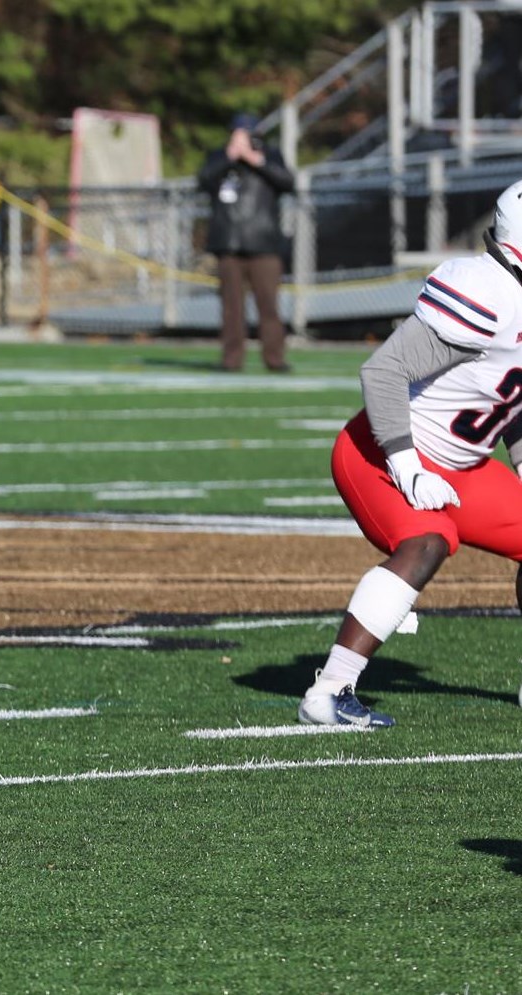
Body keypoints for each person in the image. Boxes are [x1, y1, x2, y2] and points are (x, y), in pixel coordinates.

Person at [299, 179, 522, 728]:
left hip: (463, 466)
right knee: (427, 540)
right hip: (382, 450)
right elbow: (382, 371)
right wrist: (407, 466)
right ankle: (327, 692)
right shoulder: (487, 290)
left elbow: (515, 401)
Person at [197, 111, 296, 373]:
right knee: (231, 307)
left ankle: (274, 358)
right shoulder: (220, 157)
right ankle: (231, 359)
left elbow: (287, 182)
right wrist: (230, 157)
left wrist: (254, 159)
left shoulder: (271, 157)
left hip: (264, 243)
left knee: (269, 306)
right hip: (228, 242)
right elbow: (203, 180)